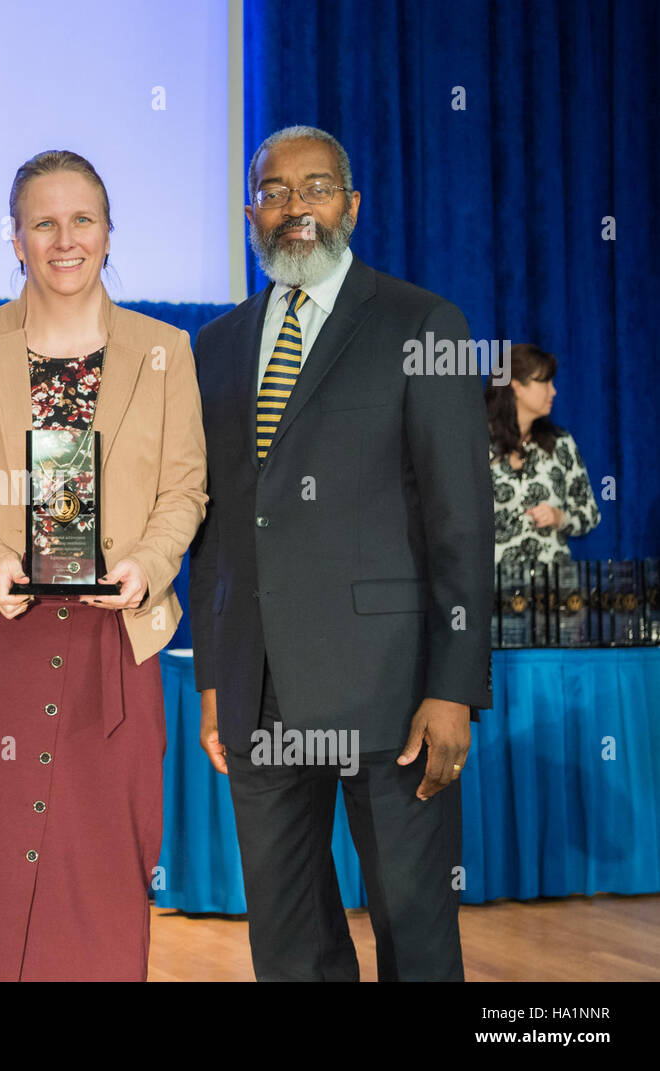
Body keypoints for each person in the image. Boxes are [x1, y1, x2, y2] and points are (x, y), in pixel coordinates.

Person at [189, 126, 493, 982]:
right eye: (276, 191)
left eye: (316, 188)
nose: (296, 209)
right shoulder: (214, 347)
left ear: (350, 206)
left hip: (392, 695)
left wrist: (453, 689)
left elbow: (461, 524)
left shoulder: (422, 323)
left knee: (415, 927)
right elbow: (214, 528)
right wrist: (215, 677)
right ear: (253, 210)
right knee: (288, 941)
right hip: (259, 691)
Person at [0, 150, 207, 981]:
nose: (64, 239)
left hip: (117, 639)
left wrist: (147, 563)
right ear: (16, 237)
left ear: (110, 235)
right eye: (44, 222)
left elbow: (185, 491)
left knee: (106, 868)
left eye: (83, 220)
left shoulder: (165, 350)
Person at [486, 343, 600, 564]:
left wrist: (560, 517)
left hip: (554, 586)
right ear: (516, 385)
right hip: (494, 587)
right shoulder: (477, 443)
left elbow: (590, 513)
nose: (553, 390)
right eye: (545, 382)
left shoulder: (560, 443)